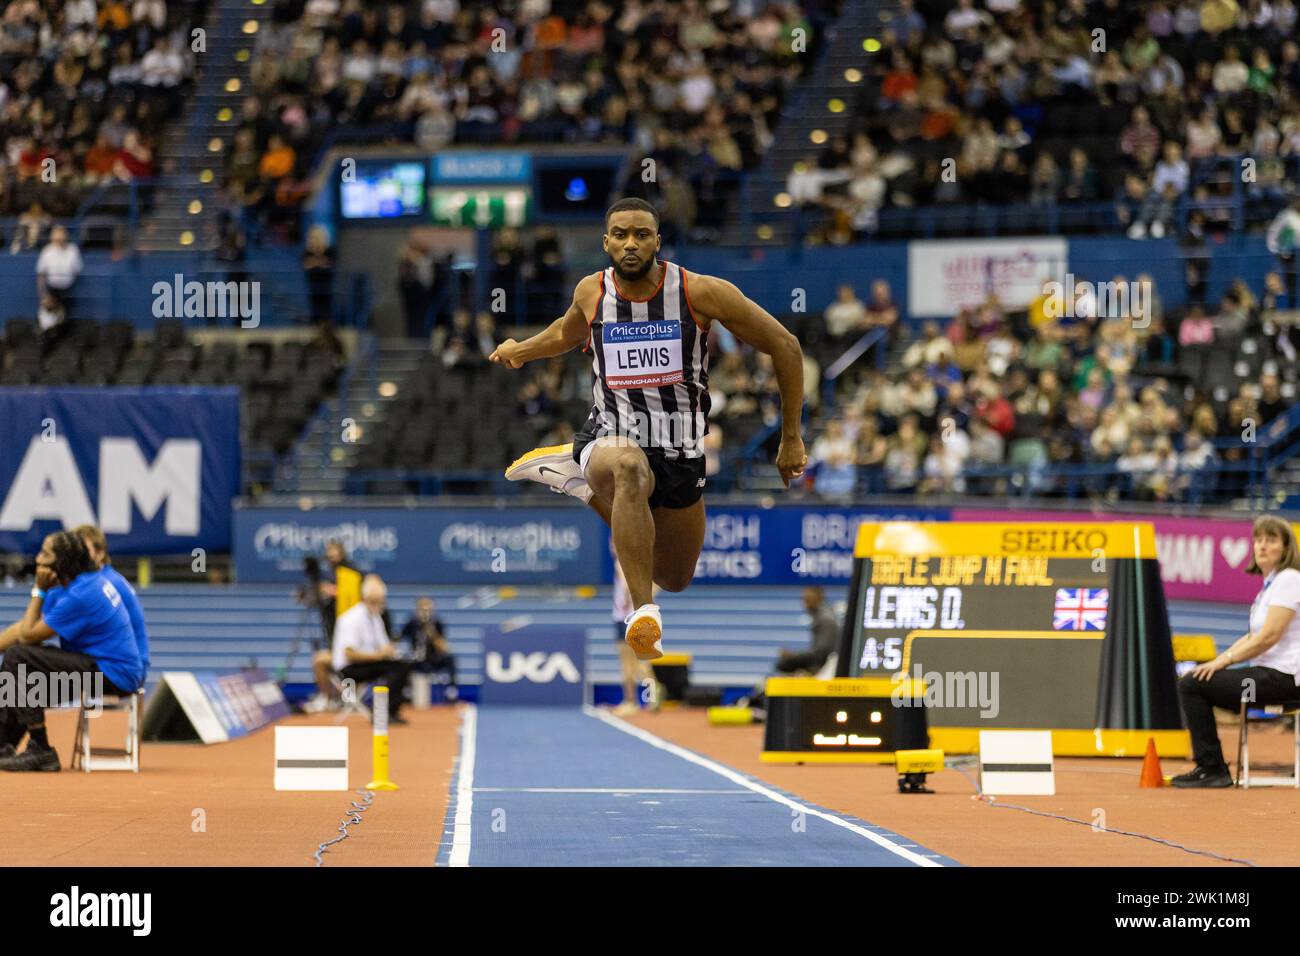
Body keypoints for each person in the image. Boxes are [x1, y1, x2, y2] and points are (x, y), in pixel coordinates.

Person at [494, 199, 807, 661]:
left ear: (658, 241)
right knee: (628, 468)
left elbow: (786, 345)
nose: (630, 243)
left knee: (675, 575)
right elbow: (567, 331)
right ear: (606, 243)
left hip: (680, 450)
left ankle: (577, 484)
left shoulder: (700, 293)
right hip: (611, 435)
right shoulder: (591, 291)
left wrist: (791, 435)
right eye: (620, 234)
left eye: (642, 234)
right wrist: (521, 350)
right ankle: (644, 614)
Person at [0, 532, 144, 771]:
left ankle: (42, 748)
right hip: (95, 667)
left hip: (114, 675)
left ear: (62, 561)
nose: (37, 558)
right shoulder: (71, 586)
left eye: (45, 553)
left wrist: (38, 589)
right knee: (17, 672)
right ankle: (4, 744)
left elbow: (26, 635)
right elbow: (26, 628)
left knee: (18, 657)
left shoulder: (82, 594)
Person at [1173, 516, 1300, 787]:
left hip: (1285, 679)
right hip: (1267, 676)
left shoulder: (1289, 579)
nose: (1262, 546)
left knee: (1192, 685)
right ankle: (1212, 766)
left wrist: (1223, 662)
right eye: (1259, 539)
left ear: (1286, 547)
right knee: (1197, 680)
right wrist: (1218, 662)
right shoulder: (1270, 585)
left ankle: (1212, 768)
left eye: (1271, 540)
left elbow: (1269, 636)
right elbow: (1253, 636)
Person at [332, 575, 413, 724]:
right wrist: (378, 655)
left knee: (402, 665)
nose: (378, 606)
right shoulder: (352, 618)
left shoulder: (375, 617)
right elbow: (349, 654)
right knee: (396, 669)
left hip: (367, 663)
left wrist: (389, 651)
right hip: (348, 669)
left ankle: (391, 711)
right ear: (364, 598)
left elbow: (384, 646)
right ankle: (381, 711)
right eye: (374, 601)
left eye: (380, 602)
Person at [612, 553, 656, 716]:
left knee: (628, 662)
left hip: (624, 617)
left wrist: (627, 599)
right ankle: (652, 697)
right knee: (642, 659)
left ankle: (630, 701)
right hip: (638, 616)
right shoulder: (642, 562)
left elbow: (625, 586)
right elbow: (655, 586)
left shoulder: (621, 562)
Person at [400, 597, 457, 700]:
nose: (425, 613)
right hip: (417, 659)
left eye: (428, 610)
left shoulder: (437, 623)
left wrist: (433, 634)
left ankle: (451, 690)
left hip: (433, 658)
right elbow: (400, 638)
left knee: (450, 658)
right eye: (422, 609)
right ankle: (406, 691)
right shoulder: (412, 623)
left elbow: (444, 647)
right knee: (403, 662)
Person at [775, 587, 840, 674]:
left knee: (784, 664)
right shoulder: (820, 617)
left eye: (809, 599)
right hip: (822, 662)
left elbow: (821, 652)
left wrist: (793, 655)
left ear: (819, 598)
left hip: (827, 667)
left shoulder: (825, 619)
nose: (805, 603)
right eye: (804, 599)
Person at [36, 226, 84, 314]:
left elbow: (78, 270)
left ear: (66, 236)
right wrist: (43, 295)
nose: (59, 239)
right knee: (50, 318)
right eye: (57, 237)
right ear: (52, 238)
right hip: (52, 291)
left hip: (68, 290)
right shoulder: (47, 251)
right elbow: (41, 274)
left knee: (66, 318)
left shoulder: (73, 250)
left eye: (62, 236)